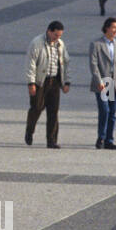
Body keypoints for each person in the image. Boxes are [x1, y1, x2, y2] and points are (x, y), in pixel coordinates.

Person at [25, 20, 70, 149]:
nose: (58, 38)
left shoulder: (60, 44)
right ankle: (30, 131)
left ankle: (52, 140)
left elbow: (66, 63)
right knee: (37, 108)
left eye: (60, 35)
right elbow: (31, 64)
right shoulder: (37, 43)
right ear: (49, 31)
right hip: (40, 81)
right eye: (56, 35)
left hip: (55, 81)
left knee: (53, 111)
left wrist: (66, 81)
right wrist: (31, 83)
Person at [89, 18, 116, 150]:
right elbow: (93, 64)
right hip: (104, 82)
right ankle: (101, 137)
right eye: (113, 27)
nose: (115, 30)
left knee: (112, 112)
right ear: (106, 28)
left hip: (114, 82)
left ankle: (109, 140)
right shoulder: (97, 44)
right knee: (104, 110)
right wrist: (98, 80)